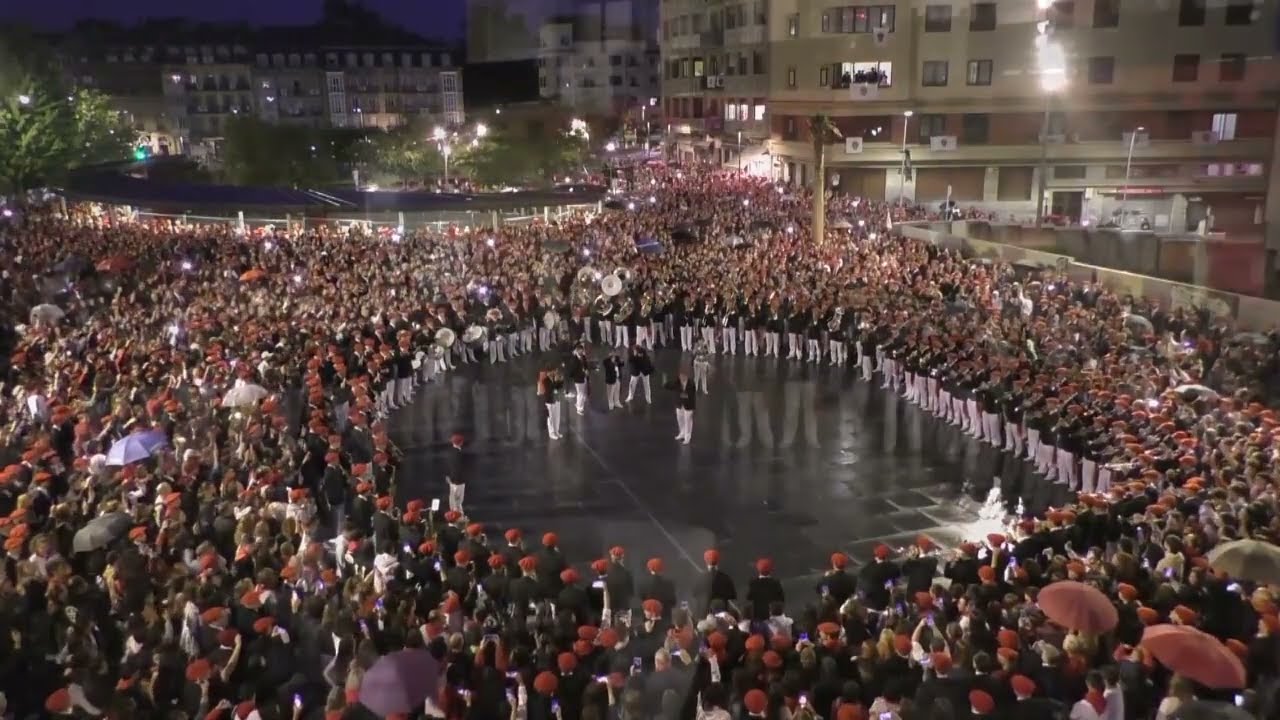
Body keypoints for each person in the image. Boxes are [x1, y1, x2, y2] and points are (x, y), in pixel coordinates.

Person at [667, 370, 696, 444]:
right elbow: (668, 386)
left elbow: (690, 395)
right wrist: (665, 378)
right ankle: (682, 433)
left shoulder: (691, 384)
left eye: (683, 376)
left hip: (688, 405)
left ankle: (687, 437)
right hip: (679, 404)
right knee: (680, 419)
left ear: (686, 376)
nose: (682, 377)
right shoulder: (677, 383)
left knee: (687, 420)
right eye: (680, 376)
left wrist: (680, 395)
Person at [445, 432, 470, 513]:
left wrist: (448, 477)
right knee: (458, 501)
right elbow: (458, 468)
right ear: (461, 442)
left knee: (452, 501)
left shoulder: (449, 453)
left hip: (452, 479)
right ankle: (458, 520)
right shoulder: (459, 454)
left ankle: (452, 519)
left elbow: (448, 466)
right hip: (458, 480)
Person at [539, 369, 565, 440]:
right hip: (549, 401)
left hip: (556, 400)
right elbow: (550, 389)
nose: (554, 372)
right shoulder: (545, 380)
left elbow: (559, 387)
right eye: (552, 371)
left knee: (557, 417)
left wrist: (561, 381)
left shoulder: (554, 379)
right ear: (548, 372)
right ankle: (552, 433)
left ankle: (556, 431)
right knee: (550, 418)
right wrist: (556, 382)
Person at [565, 344, 590, 416]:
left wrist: (586, 371)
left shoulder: (583, 357)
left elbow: (586, 365)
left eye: (582, 350)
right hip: (578, 378)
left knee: (582, 393)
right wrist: (573, 376)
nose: (581, 352)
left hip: (584, 377)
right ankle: (579, 408)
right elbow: (572, 369)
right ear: (577, 350)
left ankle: (578, 404)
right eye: (580, 350)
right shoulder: (574, 359)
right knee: (580, 393)